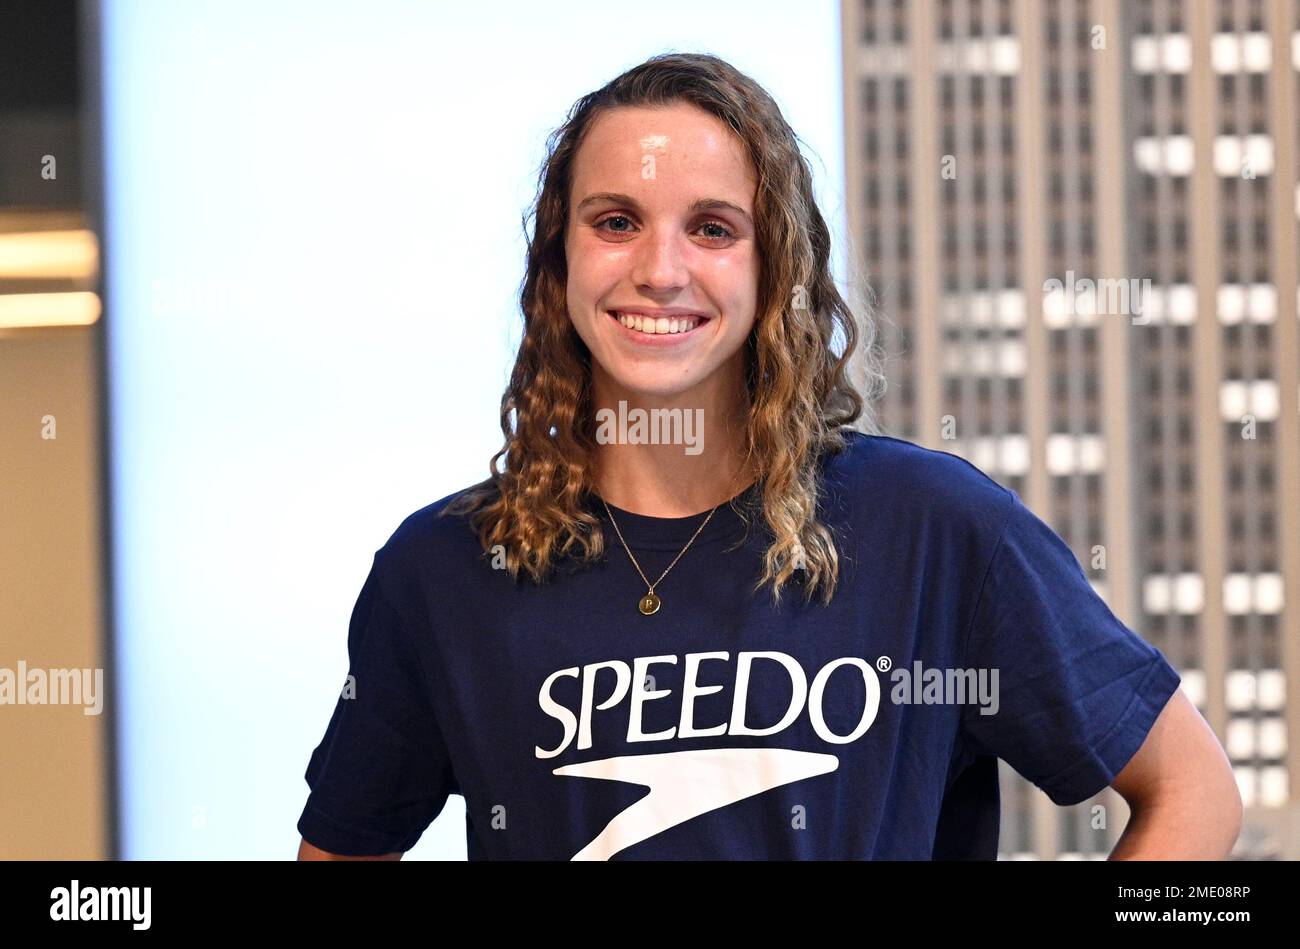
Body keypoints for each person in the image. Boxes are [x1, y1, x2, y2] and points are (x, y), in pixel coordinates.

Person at [296, 52, 1241, 861]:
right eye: (615, 221)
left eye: (712, 228)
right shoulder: (445, 572)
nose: (659, 269)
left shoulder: (931, 528)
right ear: (560, 263)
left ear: (774, 266)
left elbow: (1194, 792)